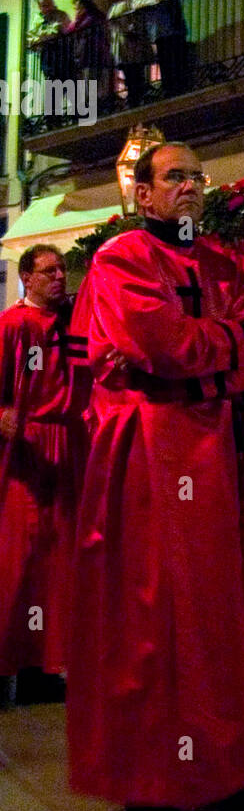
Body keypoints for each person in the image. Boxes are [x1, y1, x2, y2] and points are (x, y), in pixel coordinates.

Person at [66, 143, 244, 811]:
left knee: (218, 614)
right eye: (173, 176)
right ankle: (152, 785)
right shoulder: (122, 257)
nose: (188, 185)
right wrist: (224, 345)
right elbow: (160, 344)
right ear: (144, 195)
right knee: (153, 615)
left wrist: (212, 355)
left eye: (195, 176)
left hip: (211, 445)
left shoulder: (222, 263)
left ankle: (223, 772)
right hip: (150, 447)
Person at [0, 246, 88, 706]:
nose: (59, 277)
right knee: (20, 559)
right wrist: (2, 416)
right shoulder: (14, 325)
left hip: (67, 445)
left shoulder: (74, 324)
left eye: (62, 270)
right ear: (27, 278)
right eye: (48, 271)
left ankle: (40, 665)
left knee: (56, 565)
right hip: (27, 449)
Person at [132, 0, 189, 96]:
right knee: (164, 60)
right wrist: (150, 2)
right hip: (158, 31)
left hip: (173, 28)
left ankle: (179, 86)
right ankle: (168, 87)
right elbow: (135, 3)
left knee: (175, 58)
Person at [104, 0, 153, 108]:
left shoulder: (132, 2)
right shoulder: (115, 6)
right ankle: (133, 97)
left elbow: (137, 22)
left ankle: (136, 97)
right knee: (128, 72)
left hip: (131, 44)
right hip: (121, 44)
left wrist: (128, 29)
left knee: (135, 72)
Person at [66, 0, 113, 107]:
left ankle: (96, 108)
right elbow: (69, 30)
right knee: (90, 84)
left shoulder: (92, 18)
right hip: (89, 56)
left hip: (93, 55)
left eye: (78, 7)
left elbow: (74, 29)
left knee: (92, 83)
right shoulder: (89, 17)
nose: (77, 10)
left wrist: (77, 19)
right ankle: (95, 106)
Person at [26, 0, 70, 80]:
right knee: (51, 83)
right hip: (46, 56)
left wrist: (43, 36)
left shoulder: (61, 15)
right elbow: (32, 36)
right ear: (39, 7)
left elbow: (59, 31)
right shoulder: (38, 19)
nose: (48, 8)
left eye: (50, 5)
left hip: (61, 55)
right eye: (44, 6)